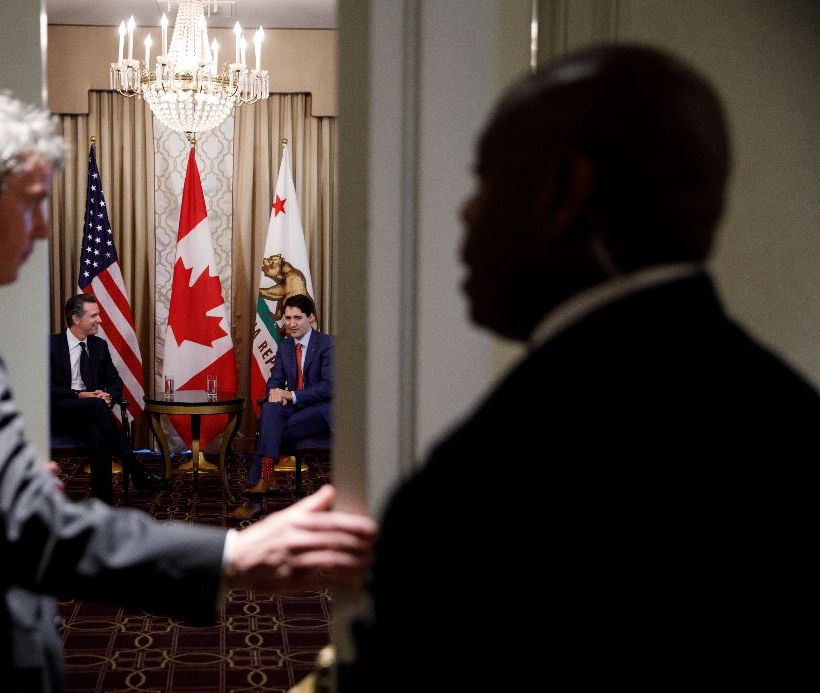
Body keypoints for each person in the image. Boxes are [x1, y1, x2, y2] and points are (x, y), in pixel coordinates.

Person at [0, 91, 376, 693]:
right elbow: (29, 531)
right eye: (32, 203)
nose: (43, 228)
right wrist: (230, 559)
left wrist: (0, 483)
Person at [350, 44, 820, 688]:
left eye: (484, 176)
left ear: (562, 192)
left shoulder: (475, 496)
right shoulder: (795, 419)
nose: (467, 210)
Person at [50, 293, 170, 503]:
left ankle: (103, 500)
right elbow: (46, 388)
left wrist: (108, 396)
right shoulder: (51, 346)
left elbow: (115, 381)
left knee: (97, 431)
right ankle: (137, 472)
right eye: (94, 316)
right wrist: (80, 394)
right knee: (95, 408)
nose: (100, 320)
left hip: (92, 413)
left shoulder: (98, 346)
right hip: (61, 412)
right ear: (76, 319)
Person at [228, 294, 333, 521]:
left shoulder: (327, 344)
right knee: (270, 408)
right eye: (287, 318)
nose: (292, 324)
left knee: (270, 430)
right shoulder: (285, 346)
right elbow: (275, 381)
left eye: (298, 318)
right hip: (295, 410)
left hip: (321, 411)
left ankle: (258, 490)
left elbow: (328, 388)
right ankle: (265, 479)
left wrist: (291, 395)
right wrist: (275, 393)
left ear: (311, 317)